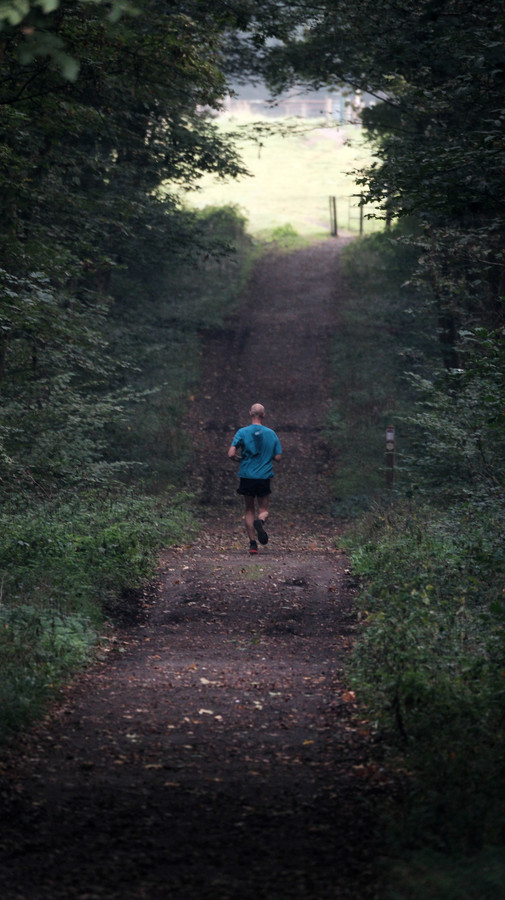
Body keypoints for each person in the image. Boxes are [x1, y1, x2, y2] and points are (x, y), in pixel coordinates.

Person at [228, 403, 282, 554]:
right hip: (264, 476)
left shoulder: (242, 432)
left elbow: (231, 454)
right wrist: (266, 456)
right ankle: (261, 521)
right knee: (263, 509)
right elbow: (278, 457)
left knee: (249, 509)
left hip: (247, 475)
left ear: (250, 414)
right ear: (264, 415)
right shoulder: (271, 434)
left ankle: (253, 544)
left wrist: (240, 459)